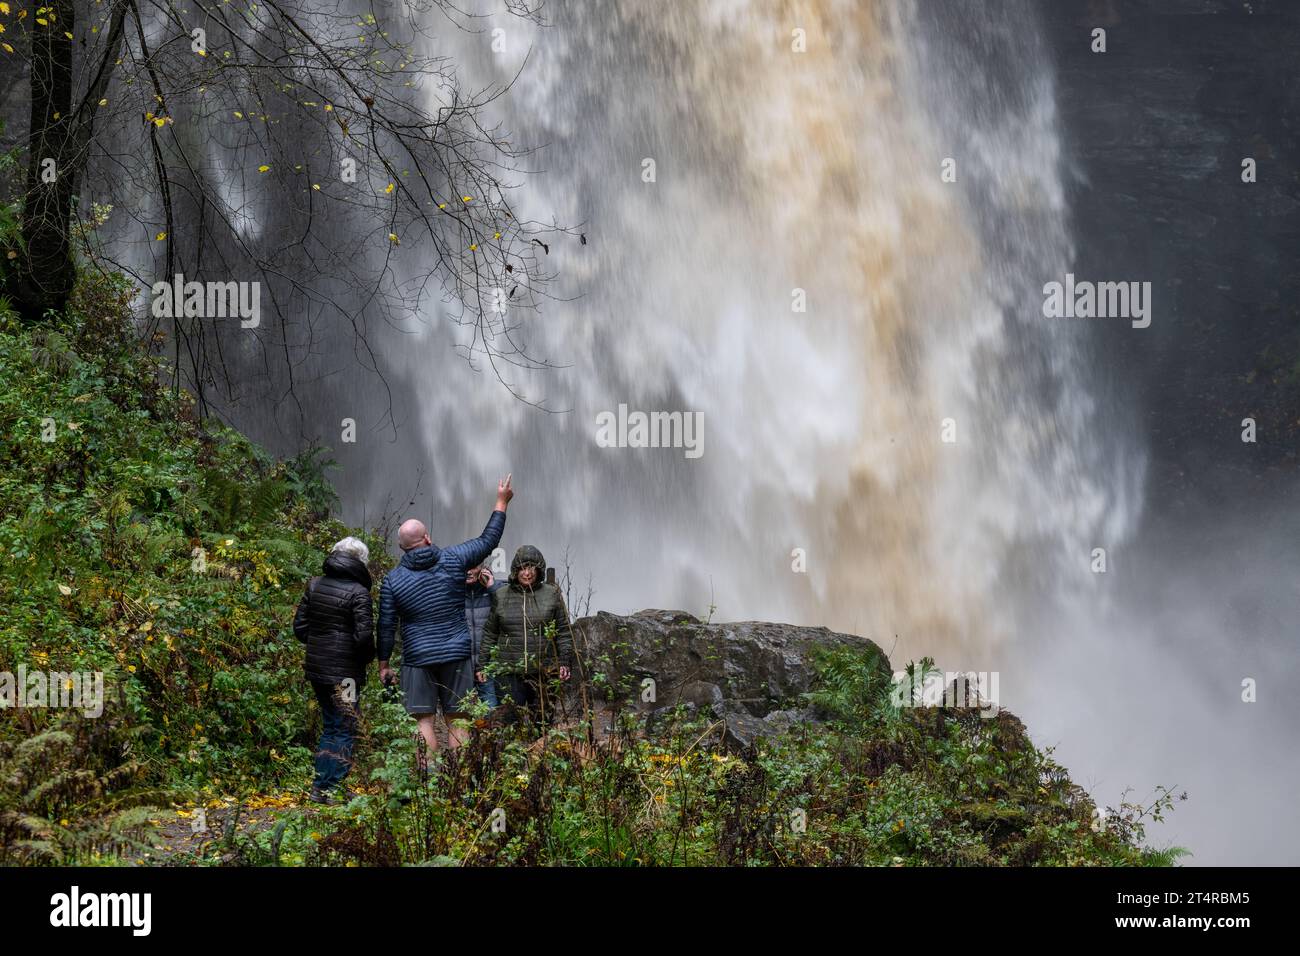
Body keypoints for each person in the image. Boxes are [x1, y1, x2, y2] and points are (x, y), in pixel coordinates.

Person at [377, 475, 513, 765]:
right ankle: (459, 783)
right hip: (456, 653)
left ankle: (426, 790)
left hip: (417, 658)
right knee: (459, 717)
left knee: (423, 720)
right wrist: (501, 502)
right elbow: (488, 540)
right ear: (427, 538)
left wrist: (384, 664)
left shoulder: (392, 580)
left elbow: (386, 625)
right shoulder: (454, 559)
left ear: (402, 548)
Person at [293, 536, 374, 804]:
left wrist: (320, 646)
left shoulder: (315, 585)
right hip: (346, 673)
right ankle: (329, 789)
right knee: (347, 727)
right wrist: (365, 658)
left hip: (317, 668)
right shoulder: (359, 592)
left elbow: (300, 628)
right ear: (361, 561)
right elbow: (363, 638)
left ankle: (322, 787)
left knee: (331, 726)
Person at [478, 545, 573, 727]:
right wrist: (482, 664)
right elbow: (490, 633)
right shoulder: (501, 595)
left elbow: (563, 630)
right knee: (510, 722)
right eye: (522, 568)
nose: (526, 573)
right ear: (515, 570)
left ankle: (541, 753)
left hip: (543, 670)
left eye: (531, 568)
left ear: (539, 570)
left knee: (543, 721)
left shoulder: (551, 594)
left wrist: (564, 661)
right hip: (509, 670)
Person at [465, 563, 505, 708]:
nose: (469, 571)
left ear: (483, 569)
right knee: (462, 716)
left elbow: (507, 612)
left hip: (488, 664)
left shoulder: (495, 589)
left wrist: (492, 588)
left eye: (473, 567)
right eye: (465, 567)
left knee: (491, 712)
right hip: (462, 665)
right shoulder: (454, 591)